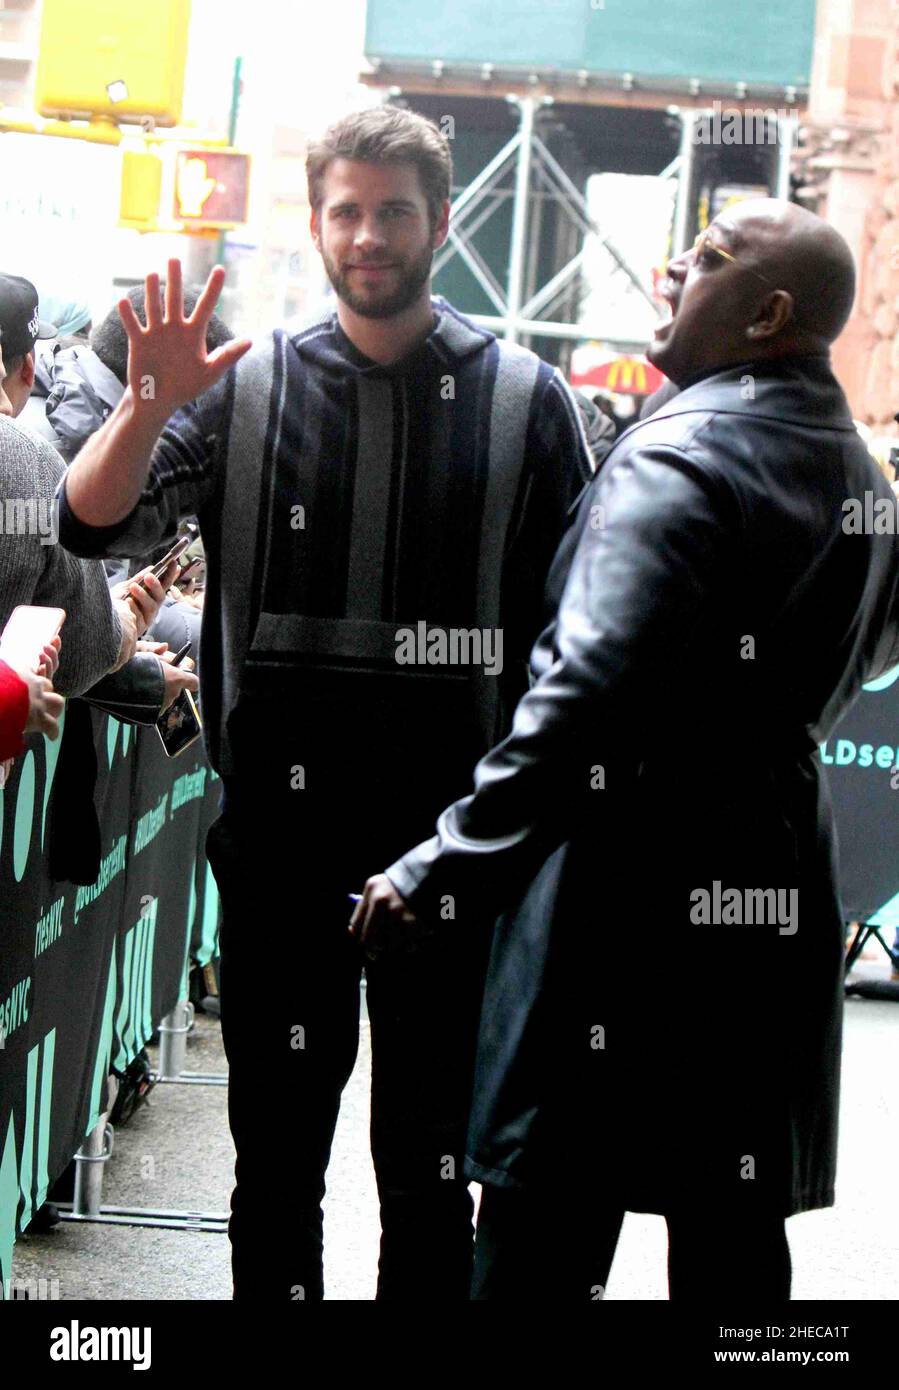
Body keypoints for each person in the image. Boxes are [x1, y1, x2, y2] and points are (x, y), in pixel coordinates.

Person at [56, 105, 597, 1300]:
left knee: (425, 1176)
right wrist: (146, 405)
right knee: (276, 1174)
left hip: (453, 863)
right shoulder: (242, 391)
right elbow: (92, 523)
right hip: (280, 860)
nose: (368, 234)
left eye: (392, 210)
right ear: (314, 225)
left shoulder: (527, 401)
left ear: (440, 222)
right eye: (345, 211)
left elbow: (579, 636)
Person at [353, 199, 899, 1300]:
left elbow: (582, 694)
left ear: (767, 313)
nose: (667, 269)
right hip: (771, 889)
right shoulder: (865, 483)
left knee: (541, 1235)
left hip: (616, 901)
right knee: (733, 1238)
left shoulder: (675, 455)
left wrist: (443, 860)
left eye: (703, 259)